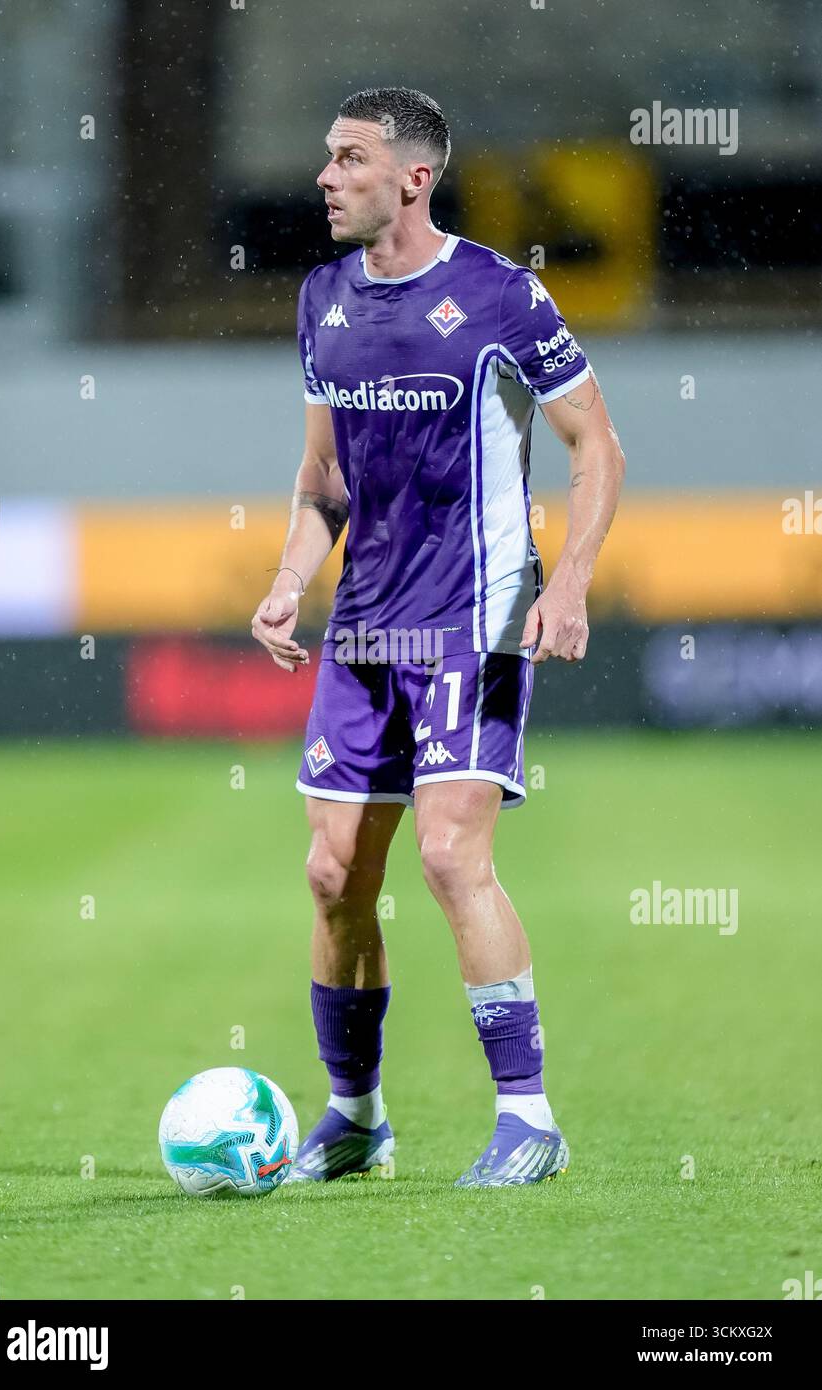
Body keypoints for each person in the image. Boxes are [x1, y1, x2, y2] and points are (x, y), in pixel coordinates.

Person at [251, 86, 625, 1186]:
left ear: (413, 176)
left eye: (350, 158)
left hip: (477, 614)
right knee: (331, 875)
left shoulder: (500, 294)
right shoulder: (322, 296)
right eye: (326, 156)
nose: (325, 176)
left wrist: (574, 581)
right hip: (364, 622)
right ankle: (357, 1114)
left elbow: (595, 445)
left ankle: (528, 1117)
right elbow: (322, 476)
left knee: (452, 854)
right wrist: (286, 582)